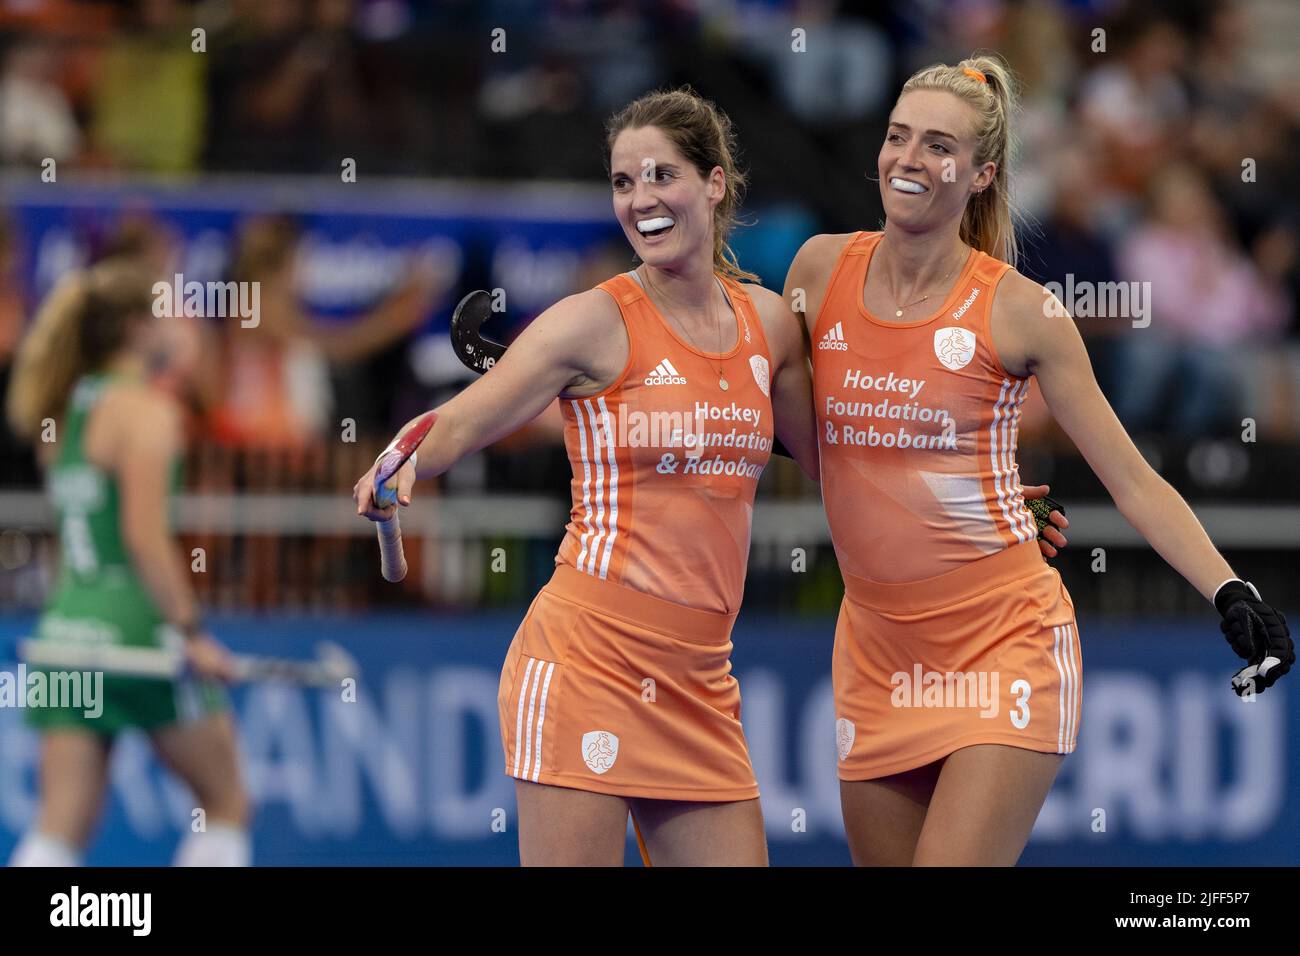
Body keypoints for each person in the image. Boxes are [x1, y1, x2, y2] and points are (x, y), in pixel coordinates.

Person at [783, 55, 1293, 866]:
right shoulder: (816, 269)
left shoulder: (1023, 312)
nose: (908, 160)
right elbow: (799, 435)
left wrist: (1231, 587)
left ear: (981, 173)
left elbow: (1132, 477)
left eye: (938, 146)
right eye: (897, 137)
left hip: (1001, 639)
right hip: (874, 645)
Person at [356, 88, 820, 865]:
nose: (641, 200)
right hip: (586, 660)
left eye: (661, 176)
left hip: (703, 679)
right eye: (622, 183)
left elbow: (840, 457)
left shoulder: (770, 326)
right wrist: (398, 460)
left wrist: (986, 497)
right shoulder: (589, 322)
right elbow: (464, 419)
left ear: (714, 183)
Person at [5, 259, 251, 866]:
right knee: (226, 803)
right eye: (167, 312)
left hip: (66, 625)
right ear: (140, 329)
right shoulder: (147, 411)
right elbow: (144, 538)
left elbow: (74, 536)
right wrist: (190, 634)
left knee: (60, 825)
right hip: (138, 632)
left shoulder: (58, 414)